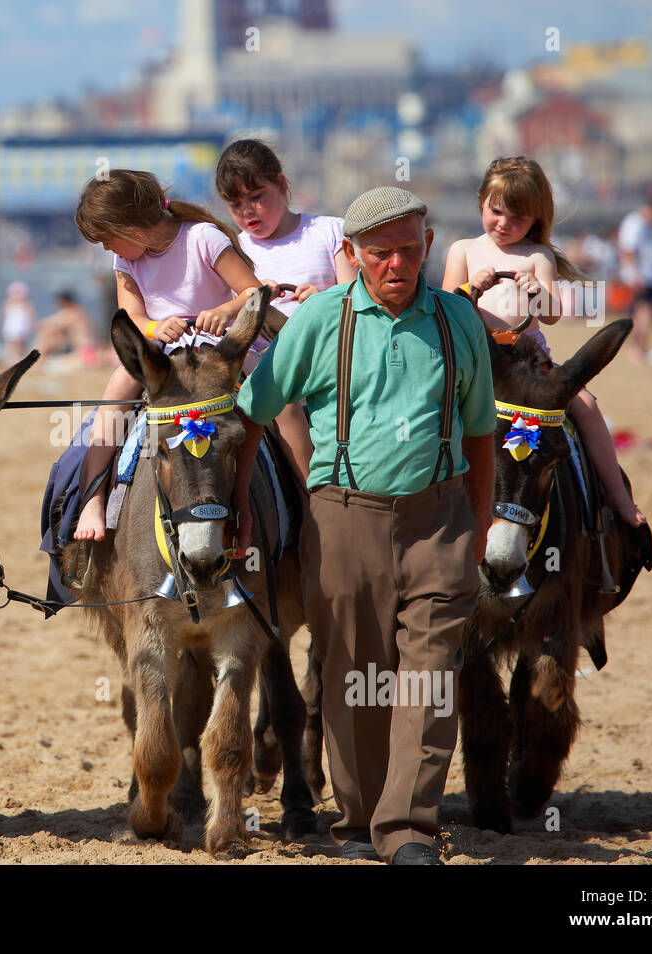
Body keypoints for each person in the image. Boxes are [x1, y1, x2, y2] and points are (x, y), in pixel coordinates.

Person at [234, 187, 495, 865]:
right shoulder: (317, 321)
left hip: (440, 521)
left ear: (429, 247)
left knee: (428, 677)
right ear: (350, 254)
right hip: (342, 522)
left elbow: (480, 438)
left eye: (410, 250)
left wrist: (482, 524)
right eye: (380, 254)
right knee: (356, 676)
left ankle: (407, 829)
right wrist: (237, 506)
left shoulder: (458, 322)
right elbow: (254, 412)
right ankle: (357, 824)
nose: (397, 266)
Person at [70, 169, 305, 541]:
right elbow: (131, 315)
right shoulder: (126, 260)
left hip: (223, 347)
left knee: (283, 403)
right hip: (164, 354)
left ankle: (309, 498)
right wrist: (153, 328)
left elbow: (252, 293)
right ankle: (93, 499)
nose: (106, 249)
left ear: (132, 229)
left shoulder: (202, 238)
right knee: (115, 392)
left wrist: (226, 312)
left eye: (107, 239)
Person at [443, 156, 647, 528]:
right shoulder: (463, 250)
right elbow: (447, 309)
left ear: (536, 219)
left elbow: (551, 313)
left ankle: (617, 495)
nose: (504, 224)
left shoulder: (539, 256)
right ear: (481, 202)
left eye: (517, 218)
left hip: (527, 363)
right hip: (478, 358)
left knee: (584, 404)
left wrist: (536, 290)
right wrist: (471, 289)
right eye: (497, 211)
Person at [215, 138, 358, 480]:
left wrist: (323, 297)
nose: (247, 211)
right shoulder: (234, 250)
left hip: (323, 353)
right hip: (260, 358)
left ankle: (312, 491)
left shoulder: (328, 231)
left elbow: (357, 298)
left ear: (281, 185)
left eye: (256, 197)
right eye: (235, 204)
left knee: (285, 396)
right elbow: (227, 313)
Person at [618, 188, 652, 361]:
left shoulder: (650, 226)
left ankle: (641, 346)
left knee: (645, 313)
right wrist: (636, 275)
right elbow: (627, 251)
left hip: (651, 277)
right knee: (643, 313)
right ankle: (637, 348)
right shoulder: (635, 224)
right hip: (641, 278)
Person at [35, 290, 99, 367]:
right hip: (87, 352)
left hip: (83, 354)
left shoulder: (72, 313)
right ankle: (40, 360)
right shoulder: (80, 312)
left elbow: (49, 323)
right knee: (51, 333)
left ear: (65, 301)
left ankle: (40, 360)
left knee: (50, 332)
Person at [0, 280, 37, 365]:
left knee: (15, 347)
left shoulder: (14, 303)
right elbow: (32, 316)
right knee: (13, 347)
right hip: (13, 327)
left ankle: (13, 362)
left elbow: (1, 316)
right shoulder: (11, 303)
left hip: (17, 328)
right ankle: (13, 362)